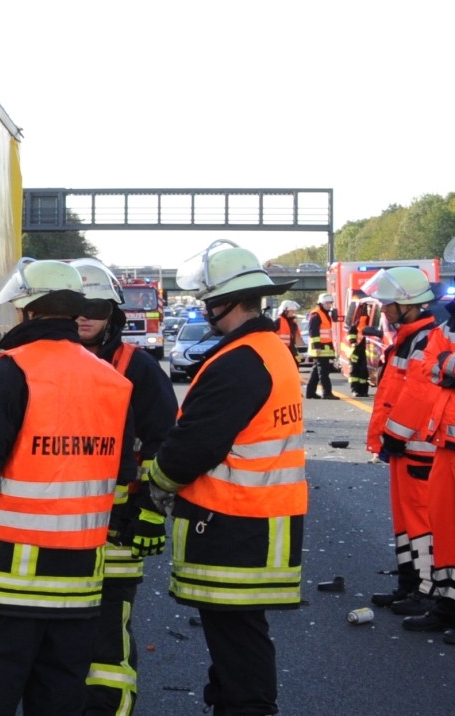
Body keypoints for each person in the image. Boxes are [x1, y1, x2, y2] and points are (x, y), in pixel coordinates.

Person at [0, 259, 132, 715]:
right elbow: (121, 482)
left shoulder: (10, 371)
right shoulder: (112, 382)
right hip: (78, 586)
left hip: (4, 585)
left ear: (26, 312)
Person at [144, 241, 304, 716]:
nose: (203, 307)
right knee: (239, 644)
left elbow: (194, 444)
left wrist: (157, 480)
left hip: (234, 525)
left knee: (239, 654)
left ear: (224, 302)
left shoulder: (239, 360)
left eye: (207, 299)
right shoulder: (268, 349)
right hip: (259, 524)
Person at [70, 260, 177, 715]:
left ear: (114, 314)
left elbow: (163, 445)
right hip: (58, 530)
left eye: (96, 307)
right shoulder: (42, 366)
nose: (85, 316)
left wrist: (150, 513)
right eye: (76, 306)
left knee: (107, 644)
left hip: (117, 530)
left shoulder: (139, 369)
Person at [361, 267, 444, 616]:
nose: (384, 310)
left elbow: (418, 394)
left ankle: (426, 590)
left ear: (409, 305)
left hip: (417, 446)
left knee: (422, 524)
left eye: (388, 304)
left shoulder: (424, 340)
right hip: (403, 445)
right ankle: (409, 585)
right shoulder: (408, 337)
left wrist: (393, 435)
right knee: (405, 522)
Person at [416, 316, 455, 641]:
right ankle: (447, 605)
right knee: (443, 526)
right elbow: (431, 367)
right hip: (446, 442)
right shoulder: (446, 327)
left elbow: (442, 365)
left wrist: (447, 364)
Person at [306, 292, 339, 400]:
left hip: (324, 347)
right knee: (323, 372)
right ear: (321, 303)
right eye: (327, 303)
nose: (329, 305)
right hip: (320, 348)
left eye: (330, 303)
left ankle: (310, 393)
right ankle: (327, 393)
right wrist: (317, 346)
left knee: (316, 371)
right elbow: (313, 332)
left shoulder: (324, 314)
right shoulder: (316, 314)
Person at [344, 289, 376, 398]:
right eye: (368, 308)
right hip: (356, 348)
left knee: (364, 371)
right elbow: (351, 331)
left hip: (367, 349)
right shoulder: (361, 320)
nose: (369, 309)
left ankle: (363, 391)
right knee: (355, 370)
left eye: (371, 308)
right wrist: (353, 342)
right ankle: (355, 390)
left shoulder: (374, 320)